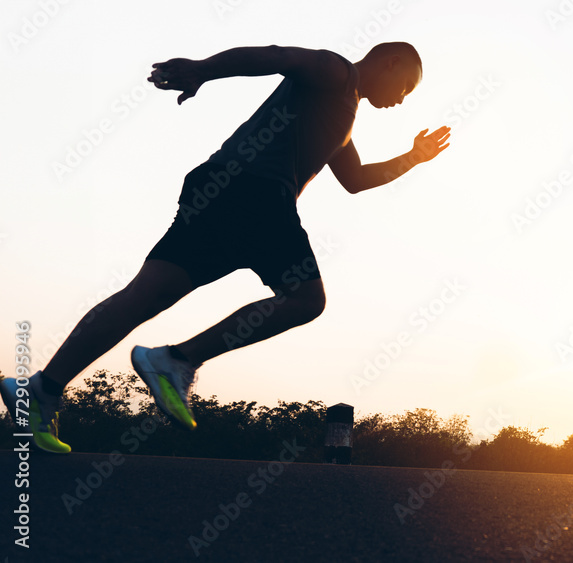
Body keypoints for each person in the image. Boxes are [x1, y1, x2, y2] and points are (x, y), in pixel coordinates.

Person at [1, 42, 450, 454]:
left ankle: (41, 389)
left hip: (219, 188)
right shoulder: (334, 72)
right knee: (306, 299)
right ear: (390, 62)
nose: (403, 99)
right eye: (406, 86)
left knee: (144, 296)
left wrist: (414, 157)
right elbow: (275, 57)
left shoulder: (340, 114)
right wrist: (202, 70)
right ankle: (174, 360)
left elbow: (354, 181)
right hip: (256, 193)